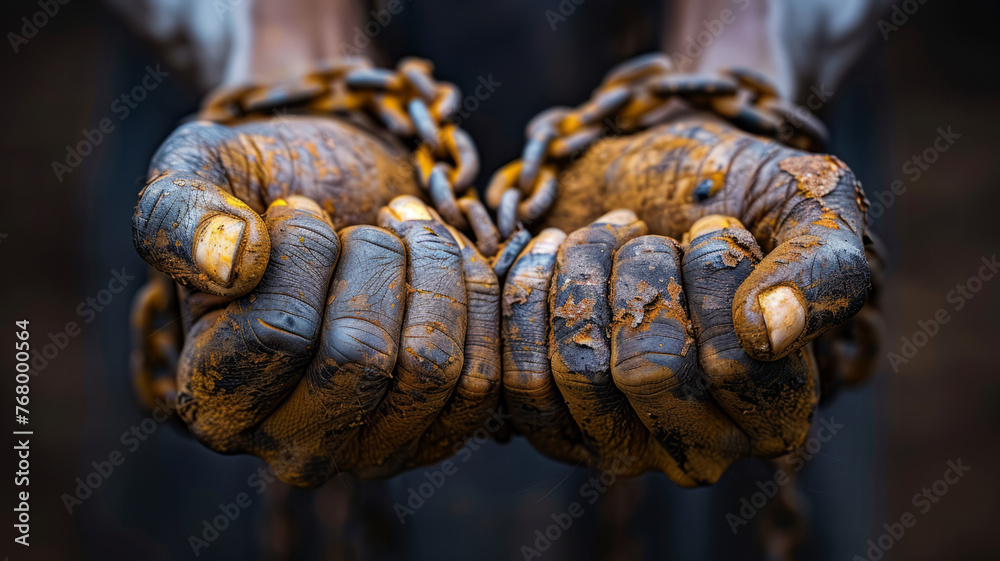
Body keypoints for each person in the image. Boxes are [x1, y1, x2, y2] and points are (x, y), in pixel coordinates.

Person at [113, 0, 888, 558]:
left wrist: (737, 61)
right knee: (262, 369)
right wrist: (286, 46)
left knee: (727, 401)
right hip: (244, 64)